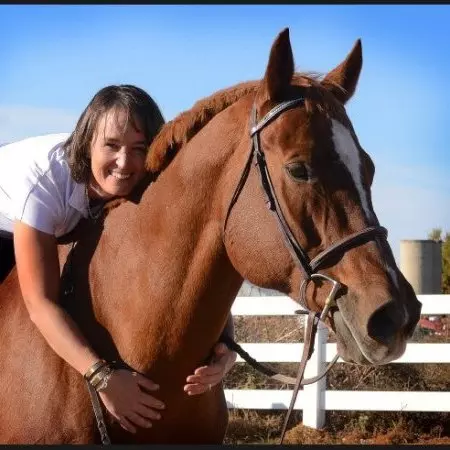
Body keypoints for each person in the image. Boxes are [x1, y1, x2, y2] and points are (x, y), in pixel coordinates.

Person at [0, 84, 236, 434]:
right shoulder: (45, 183)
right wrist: (103, 378)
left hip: (67, 220)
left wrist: (226, 348)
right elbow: (39, 304)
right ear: (87, 142)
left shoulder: (143, 180)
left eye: (139, 149)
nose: (125, 163)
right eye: (111, 145)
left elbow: (196, 269)